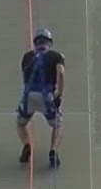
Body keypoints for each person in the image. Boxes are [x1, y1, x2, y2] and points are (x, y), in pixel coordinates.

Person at [17, 26, 66, 168]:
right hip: (47, 97)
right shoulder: (56, 56)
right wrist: (59, 95)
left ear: (36, 43)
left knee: (21, 123)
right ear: (49, 43)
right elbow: (61, 74)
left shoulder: (27, 57)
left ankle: (27, 146)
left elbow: (24, 77)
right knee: (57, 125)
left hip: (29, 97)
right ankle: (53, 151)